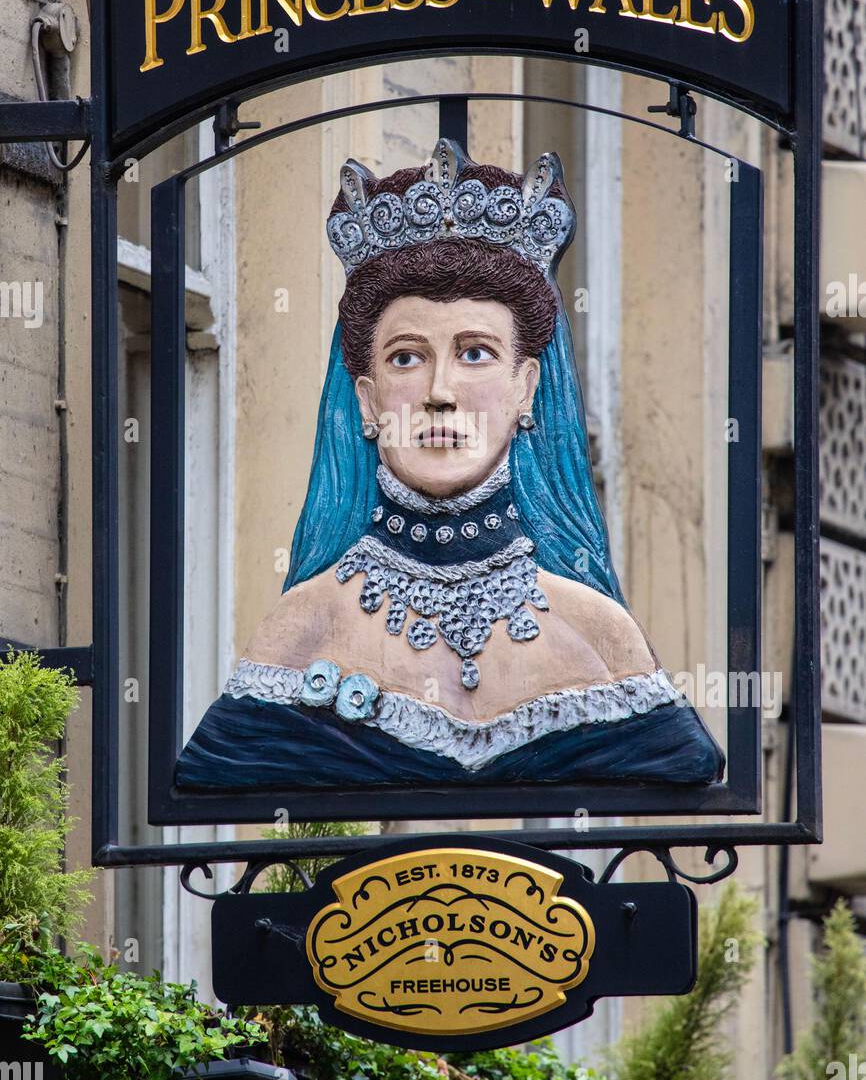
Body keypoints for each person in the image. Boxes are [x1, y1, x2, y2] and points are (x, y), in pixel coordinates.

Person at [176, 138, 724, 790]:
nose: (440, 391)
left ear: (526, 388)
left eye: (475, 353)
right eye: (407, 357)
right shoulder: (303, 629)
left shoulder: (598, 635)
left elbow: (681, 767)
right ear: (367, 398)